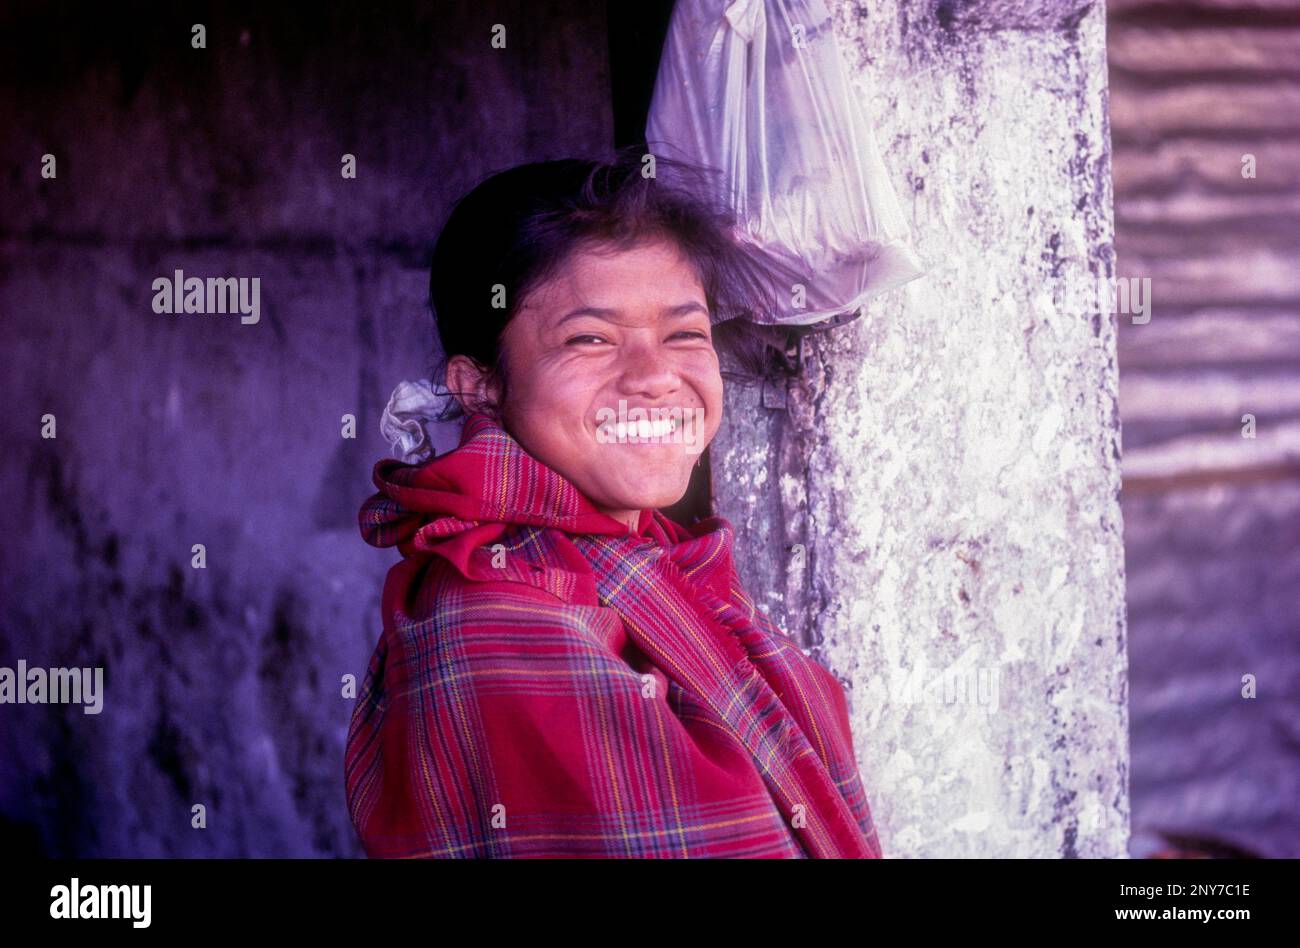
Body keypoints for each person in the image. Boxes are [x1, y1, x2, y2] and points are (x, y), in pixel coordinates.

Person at [343, 146, 883, 858]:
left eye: (685, 333)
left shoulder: (657, 563)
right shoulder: (495, 615)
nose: (657, 377)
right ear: (480, 384)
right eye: (591, 339)